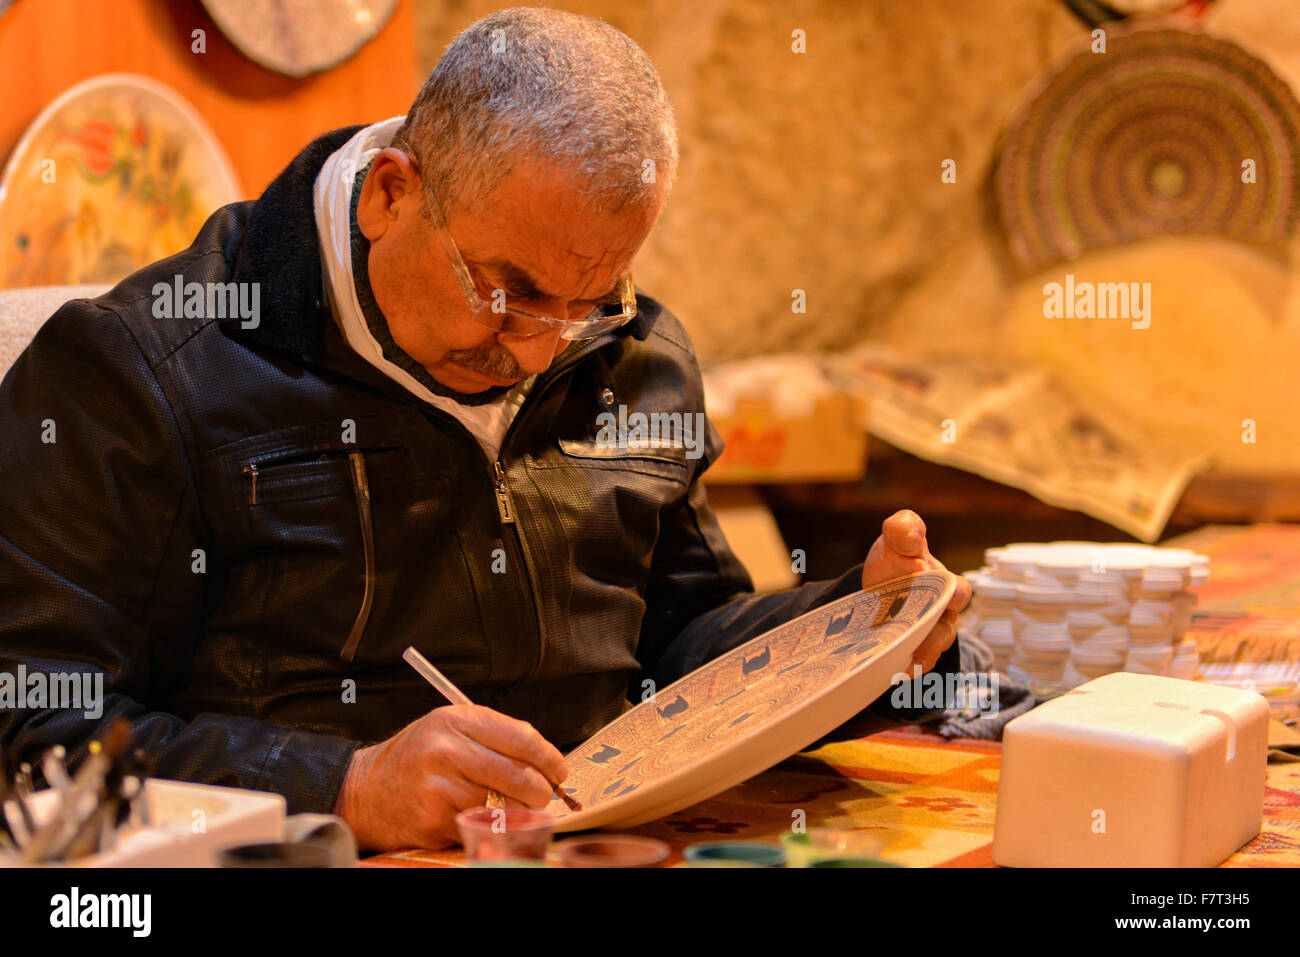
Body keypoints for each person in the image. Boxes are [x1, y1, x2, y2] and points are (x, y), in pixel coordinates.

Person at [0, 7, 969, 851]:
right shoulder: (143, 369)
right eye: (508, 291)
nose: (540, 351)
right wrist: (347, 786)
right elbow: (30, 730)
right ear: (391, 192)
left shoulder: (630, 354)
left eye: (590, 298)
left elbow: (671, 647)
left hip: (601, 841)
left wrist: (849, 634)